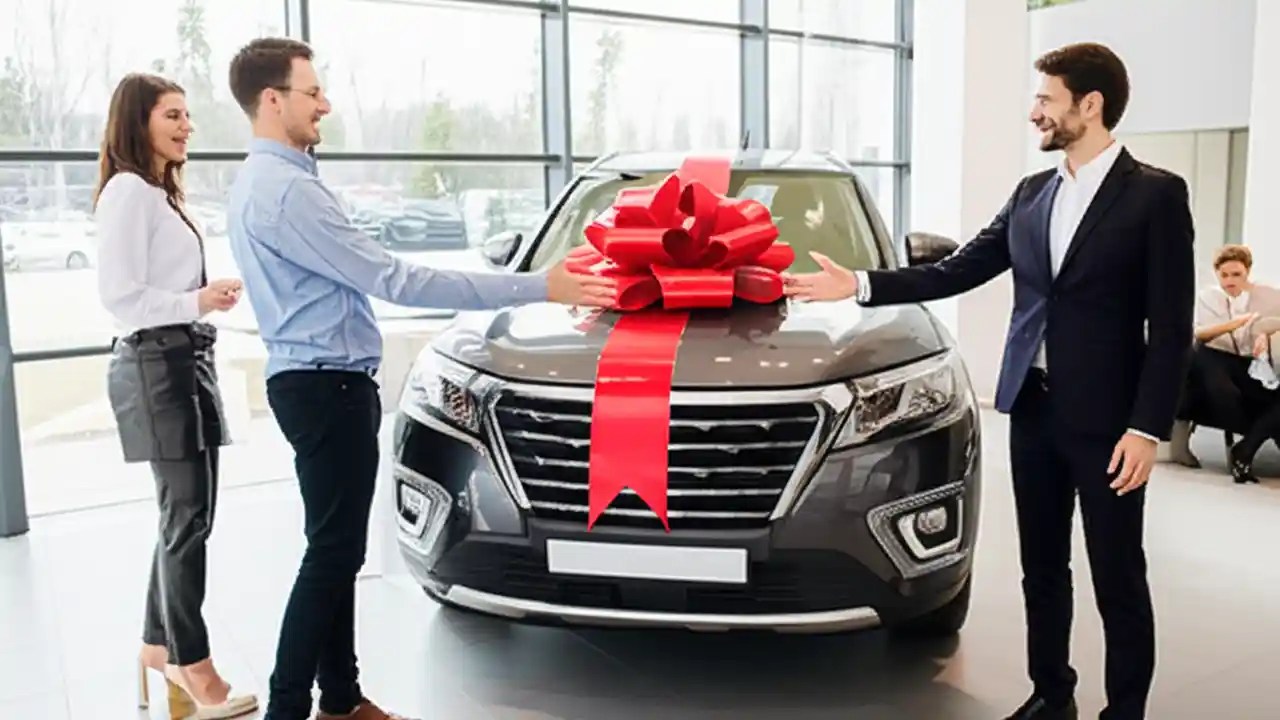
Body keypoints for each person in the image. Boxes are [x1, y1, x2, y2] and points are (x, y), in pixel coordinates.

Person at [784, 43, 1193, 720]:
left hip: (1112, 425)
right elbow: (956, 270)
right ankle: (1051, 695)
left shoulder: (1155, 195)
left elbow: (1172, 328)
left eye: (1046, 99)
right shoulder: (1032, 193)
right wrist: (856, 284)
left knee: (1118, 576)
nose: (1034, 112)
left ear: (1090, 106)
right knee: (1042, 569)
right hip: (1033, 412)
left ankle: (1125, 711)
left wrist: (1148, 428)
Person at [223, 38, 617, 720]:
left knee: (335, 551)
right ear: (272, 99)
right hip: (327, 389)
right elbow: (394, 277)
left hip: (316, 383)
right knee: (331, 556)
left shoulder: (271, 180)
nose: (326, 104)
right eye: (312, 91)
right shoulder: (285, 192)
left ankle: (340, 700)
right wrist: (539, 286)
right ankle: (287, 709)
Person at [94, 72, 259, 719]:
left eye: (188, 114)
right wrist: (195, 299)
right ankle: (194, 665)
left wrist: (201, 301)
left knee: (188, 518)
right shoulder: (128, 193)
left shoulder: (158, 194)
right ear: (137, 122)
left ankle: (157, 648)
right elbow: (119, 297)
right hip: (156, 364)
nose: (188, 125)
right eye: (172, 114)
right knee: (186, 521)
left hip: (185, 358)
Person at [1173, 244, 1280, 481]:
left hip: (1249, 365)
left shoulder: (1268, 294)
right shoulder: (1209, 297)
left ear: (1248, 271)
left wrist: (1264, 332)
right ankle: (1244, 449)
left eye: (1236, 274)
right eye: (1224, 275)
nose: (1230, 280)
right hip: (1213, 358)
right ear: (1216, 274)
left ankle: (1245, 448)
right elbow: (1201, 334)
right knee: (1215, 380)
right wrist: (1238, 323)